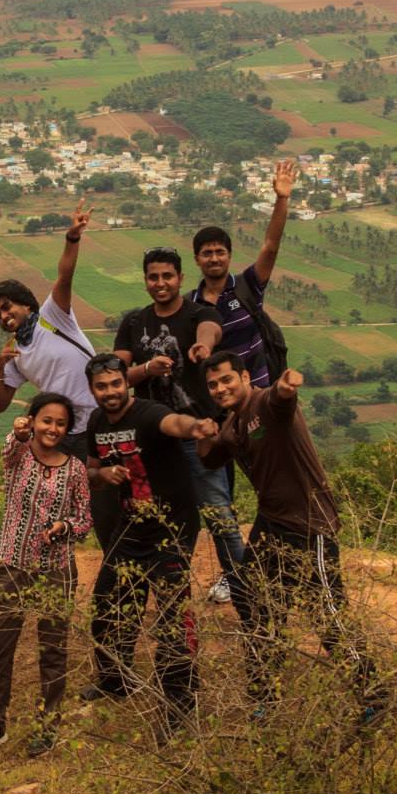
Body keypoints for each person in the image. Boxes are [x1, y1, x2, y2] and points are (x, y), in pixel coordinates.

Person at [200, 354, 380, 719]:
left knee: (327, 613)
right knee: (255, 603)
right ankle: (265, 696)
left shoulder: (264, 405)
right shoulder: (233, 425)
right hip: (271, 524)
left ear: (245, 377)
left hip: (309, 524)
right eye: (213, 385)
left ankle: (373, 696)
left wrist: (286, 387)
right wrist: (201, 435)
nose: (220, 389)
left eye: (227, 380)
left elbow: (281, 400)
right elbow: (210, 459)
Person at [77, 353, 219, 741]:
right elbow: (90, 471)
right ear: (92, 390)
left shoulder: (147, 413)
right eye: (102, 386)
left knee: (173, 616)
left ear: (127, 382)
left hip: (171, 529)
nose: (110, 392)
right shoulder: (96, 422)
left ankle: (179, 703)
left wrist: (197, 427)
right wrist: (103, 473)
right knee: (108, 604)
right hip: (131, 527)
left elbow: (174, 423)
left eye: (116, 384)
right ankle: (115, 679)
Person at [0, 392, 92, 759]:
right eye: (46, 420)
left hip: (57, 569)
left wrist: (64, 526)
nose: (53, 428)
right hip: (14, 565)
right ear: (32, 421)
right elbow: (11, 446)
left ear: (68, 429)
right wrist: (18, 433)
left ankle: (48, 728)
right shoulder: (19, 456)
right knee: (0, 648)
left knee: (53, 651)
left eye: (60, 423)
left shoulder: (75, 469)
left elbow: (84, 520)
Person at [113, 247, 244, 607]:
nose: (161, 283)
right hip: (152, 440)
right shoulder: (134, 322)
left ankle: (244, 589)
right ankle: (168, 592)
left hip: (197, 434)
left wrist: (202, 346)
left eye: (167, 276)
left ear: (181, 278)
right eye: (153, 277)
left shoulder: (198, 313)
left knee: (218, 512)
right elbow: (117, 376)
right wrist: (147, 370)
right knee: (157, 516)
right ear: (145, 281)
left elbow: (209, 331)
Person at [0, 204, 100, 434]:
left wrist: (72, 238)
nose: (4, 317)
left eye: (7, 308)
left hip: (99, 418)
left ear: (26, 304)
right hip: (65, 432)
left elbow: (65, 276)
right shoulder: (14, 351)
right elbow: (0, 405)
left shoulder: (52, 316)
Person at [190, 158, 298, 390]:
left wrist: (282, 198)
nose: (214, 259)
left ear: (229, 256)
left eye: (220, 252)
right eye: (207, 253)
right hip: (220, 400)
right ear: (197, 259)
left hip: (258, 394)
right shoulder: (191, 305)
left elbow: (270, 246)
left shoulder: (248, 285)